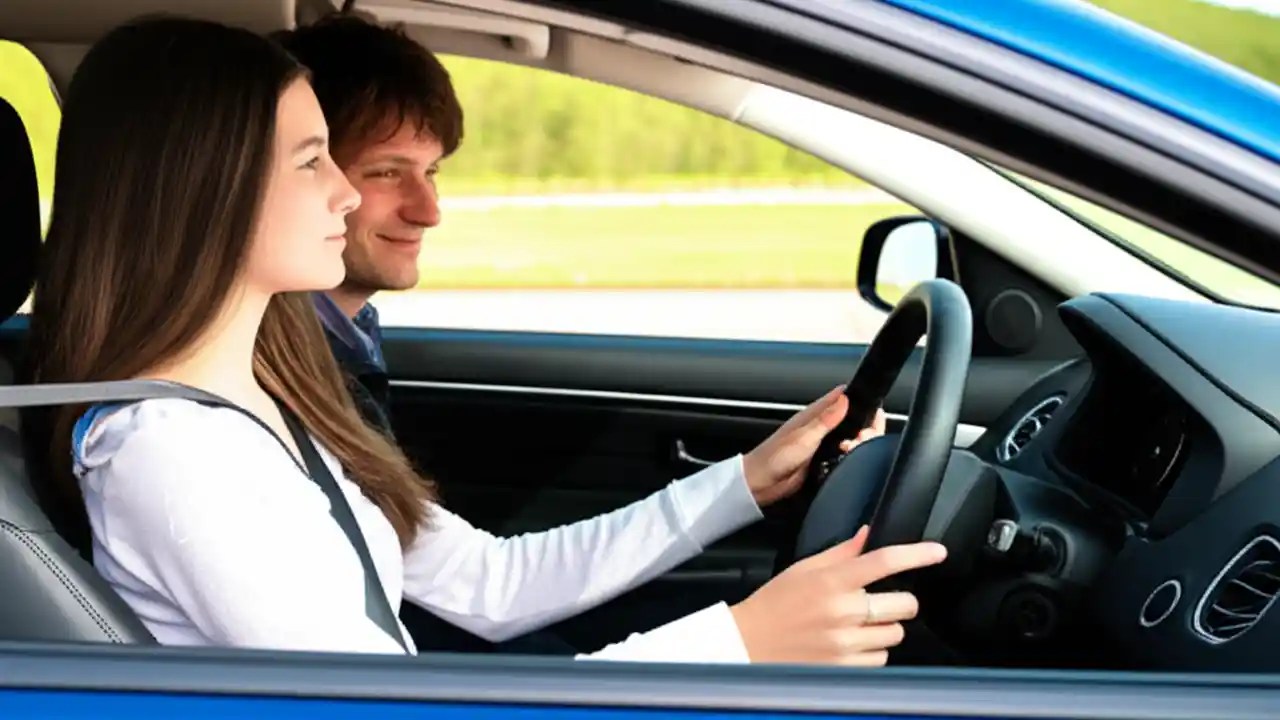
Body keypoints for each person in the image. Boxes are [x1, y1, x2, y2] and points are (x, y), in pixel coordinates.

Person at [26, 15, 947, 664]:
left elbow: (492, 583)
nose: (346, 197)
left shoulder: (262, 393)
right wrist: (740, 645)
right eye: (314, 163)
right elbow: (386, 715)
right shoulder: (173, 453)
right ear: (203, 189)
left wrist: (743, 483)